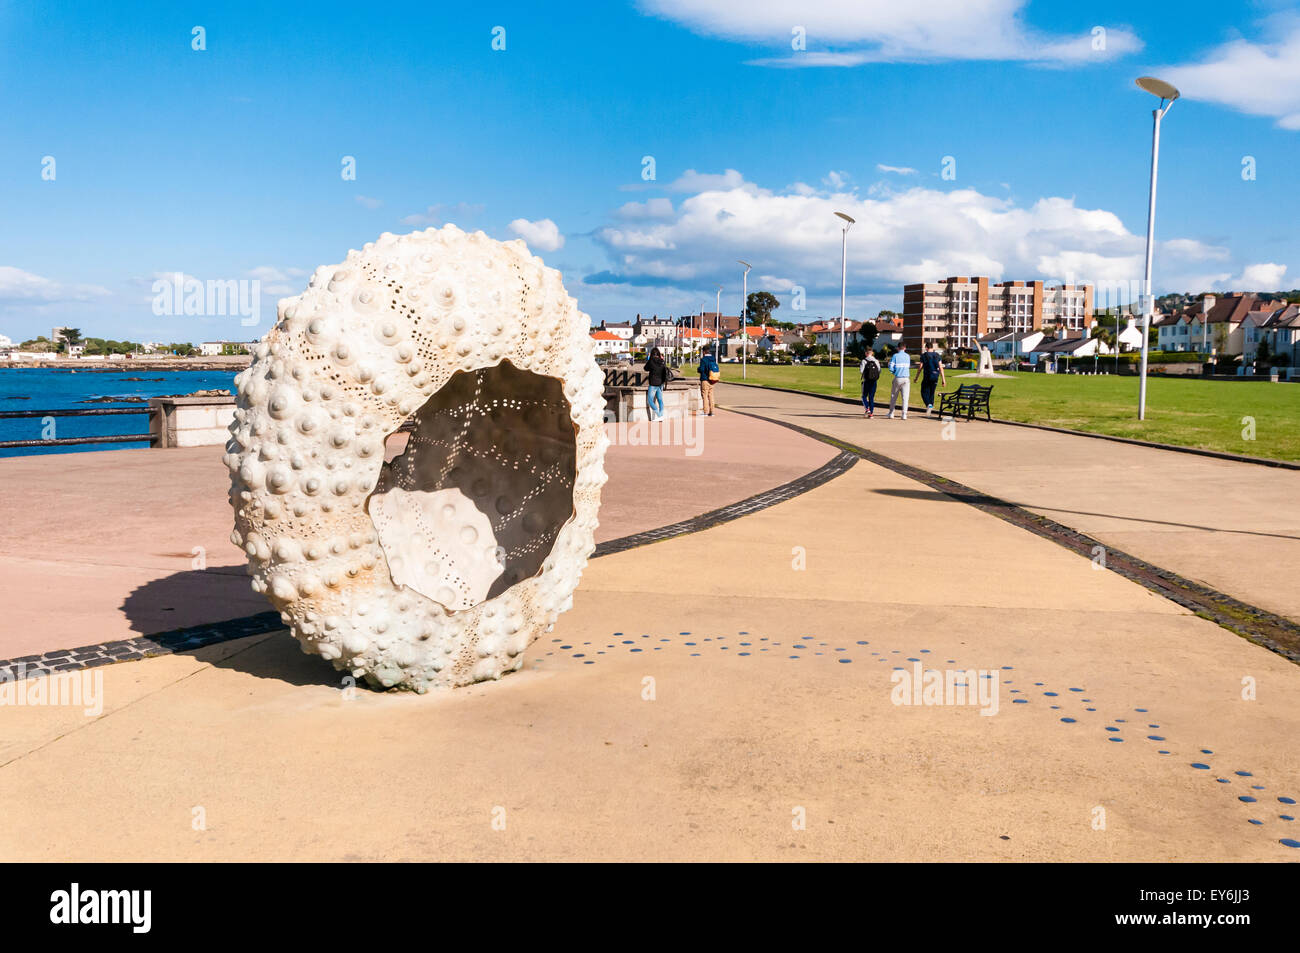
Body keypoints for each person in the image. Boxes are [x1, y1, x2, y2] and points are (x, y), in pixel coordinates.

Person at [914, 341, 947, 415]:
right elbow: (941, 367)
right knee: (932, 393)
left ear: (926, 348)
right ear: (932, 347)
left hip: (927, 376)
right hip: (935, 376)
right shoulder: (937, 355)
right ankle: (930, 407)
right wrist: (943, 380)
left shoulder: (924, 355)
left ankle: (928, 404)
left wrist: (916, 377)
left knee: (923, 392)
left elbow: (920, 367)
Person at [643, 346, 670, 421]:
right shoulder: (662, 361)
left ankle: (659, 415)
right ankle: (661, 415)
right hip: (660, 383)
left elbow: (645, 368)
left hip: (653, 383)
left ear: (652, 354)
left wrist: (648, 358)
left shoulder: (651, 361)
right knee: (660, 400)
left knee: (650, 401)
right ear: (659, 353)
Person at [886, 344, 911, 419]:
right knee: (905, 397)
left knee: (894, 396)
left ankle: (891, 413)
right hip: (906, 378)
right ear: (905, 348)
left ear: (898, 348)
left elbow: (891, 367)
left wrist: (894, 372)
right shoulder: (908, 356)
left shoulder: (895, 356)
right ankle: (904, 414)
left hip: (898, 377)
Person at [697, 348, 720, 416]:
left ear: (704, 352)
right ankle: (712, 411)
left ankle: (705, 411)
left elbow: (702, 369)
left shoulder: (703, 359)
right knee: (711, 395)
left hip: (705, 379)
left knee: (704, 395)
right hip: (712, 379)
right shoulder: (713, 359)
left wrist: (698, 369)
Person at [859, 347, 881, 417]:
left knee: (864, 396)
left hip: (867, 380)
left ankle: (867, 409)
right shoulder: (876, 361)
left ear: (866, 353)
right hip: (874, 381)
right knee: (871, 397)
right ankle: (871, 413)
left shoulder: (864, 361)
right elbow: (879, 371)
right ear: (872, 353)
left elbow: (861, 371)